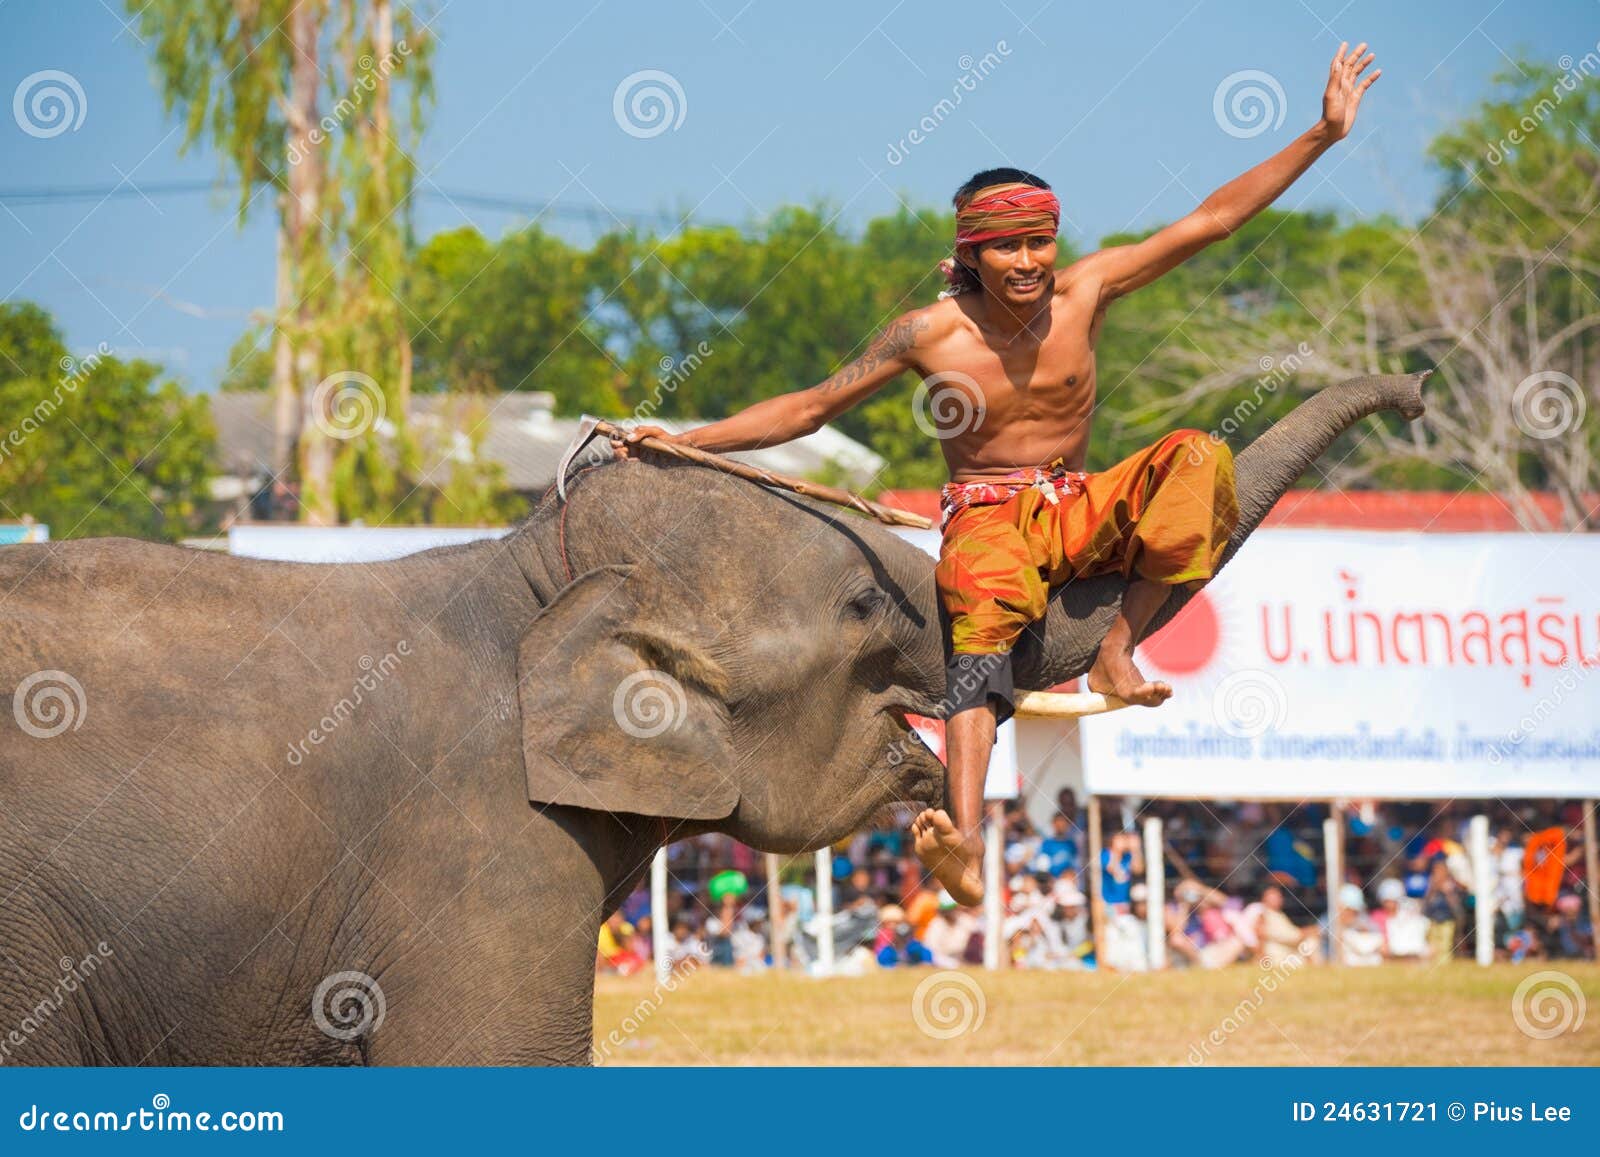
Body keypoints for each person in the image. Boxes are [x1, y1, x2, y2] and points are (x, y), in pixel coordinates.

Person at [620, 45, 1381, 906]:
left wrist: (1321, 133)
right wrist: (689, 438)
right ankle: (967, 842)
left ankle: (1118, 651)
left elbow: (1210, 222)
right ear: (971, 254)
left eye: (1040, 241)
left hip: (1077, 504)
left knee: (1200, 457)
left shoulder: (1088, 291)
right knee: (980, 625)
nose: (1028, 261)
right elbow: (808, 408)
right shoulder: (927, 335)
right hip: (986, 518)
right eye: (1007, 246)